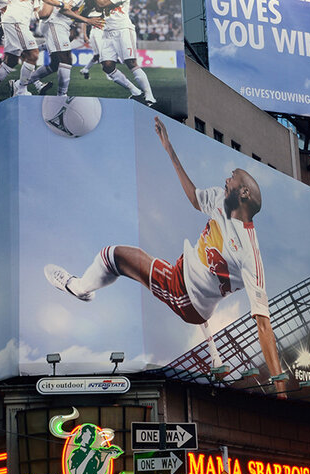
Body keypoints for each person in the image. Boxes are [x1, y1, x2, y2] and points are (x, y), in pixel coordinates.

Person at [45, 117, 291, 392]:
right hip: (191, 283)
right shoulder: (221, 201)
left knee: (113, 256)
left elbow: (263, 321)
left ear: (244, 192)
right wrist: (169, 150)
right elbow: (195, 198)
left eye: (232, 177)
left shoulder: (249, 252)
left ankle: (77, 287)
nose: (226, 178)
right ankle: (215, 357)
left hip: (184, 293)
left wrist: (279, 385)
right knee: (185, 267)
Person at [84, 0, 157, 105]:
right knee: (107, 66)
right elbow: (98, 8)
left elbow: (102, 4)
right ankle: (136, 92)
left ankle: (150, 96)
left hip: (123, 30)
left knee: (131, 63)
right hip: (107, 32)